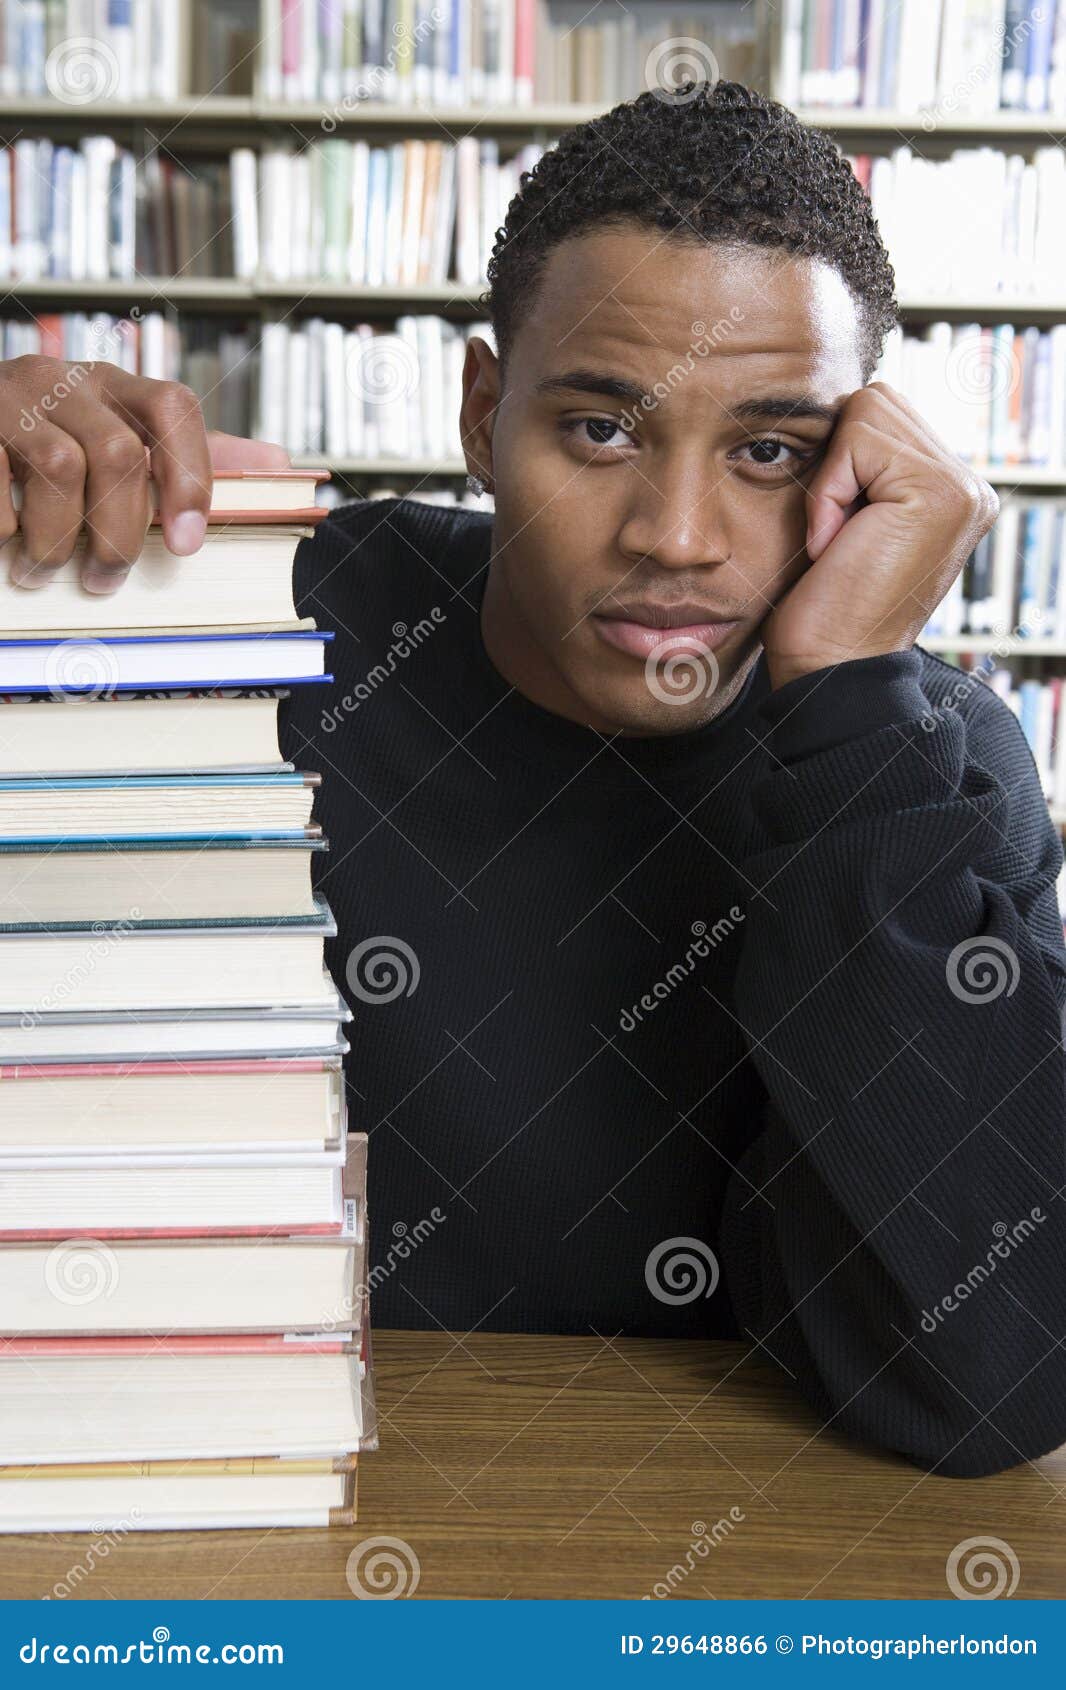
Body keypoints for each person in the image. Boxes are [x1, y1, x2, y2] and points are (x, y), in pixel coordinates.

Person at [1, 81, 1063, 1480]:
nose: (675, 537)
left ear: (862, 471)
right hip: (212, 1491)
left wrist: (854, 706)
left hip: (694, 1549)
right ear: (482, 412)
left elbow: (988, 1375)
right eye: (601, 430)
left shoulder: (911, 756)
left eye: (767, 452)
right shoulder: (240, 632)